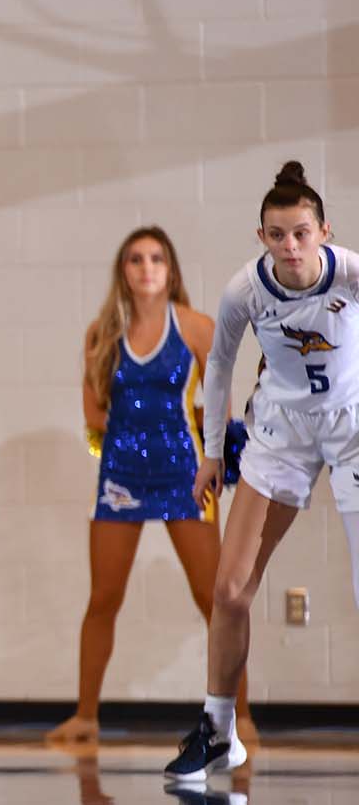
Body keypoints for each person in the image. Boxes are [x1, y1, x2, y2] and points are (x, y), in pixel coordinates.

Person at [167, 162, 359, 780]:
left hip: (351, 426)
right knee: (229, 589)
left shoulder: (350, 274)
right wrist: (213, 451)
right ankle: (220, 731)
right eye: (278, 235)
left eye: (302, 233)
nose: (291, 246)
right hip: (280, 432)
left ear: (324, 231)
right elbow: (219, 367)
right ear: (262, 238)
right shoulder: (244, 290)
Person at [49, 227, 251, 745]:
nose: (146, 268)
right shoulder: (102, 333)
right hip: (120, 478)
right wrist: (115, 453)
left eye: (156, 258)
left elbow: (222, 403)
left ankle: (239, 718)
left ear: (171, 269)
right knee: (104, 598)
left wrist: (215, 461)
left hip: (185, 477)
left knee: (216, 598)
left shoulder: (197, 328)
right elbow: (93, 412)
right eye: (135, 259)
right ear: (123, 270)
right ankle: (86, 717)